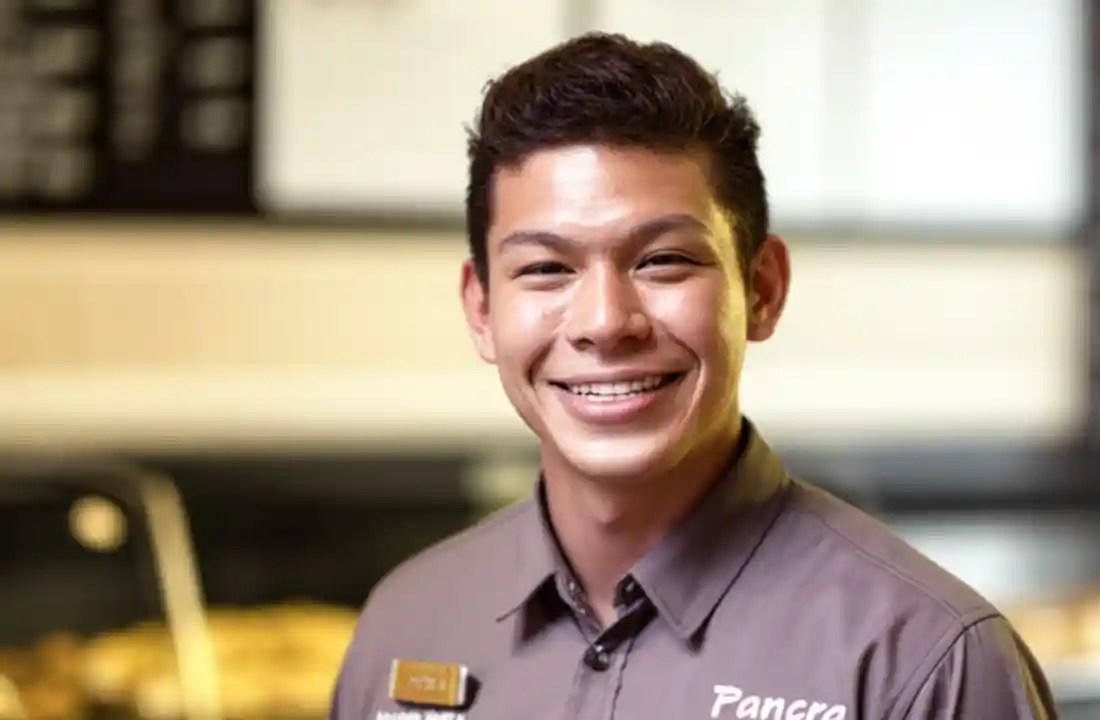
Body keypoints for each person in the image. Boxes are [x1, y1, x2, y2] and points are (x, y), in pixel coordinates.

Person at [329, 32, 1057, 720]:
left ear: (762, 289)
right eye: (546, 269)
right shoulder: (405, 625)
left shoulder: (929, 662)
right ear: (482, 308)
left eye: (663, 261)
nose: (604, 322)